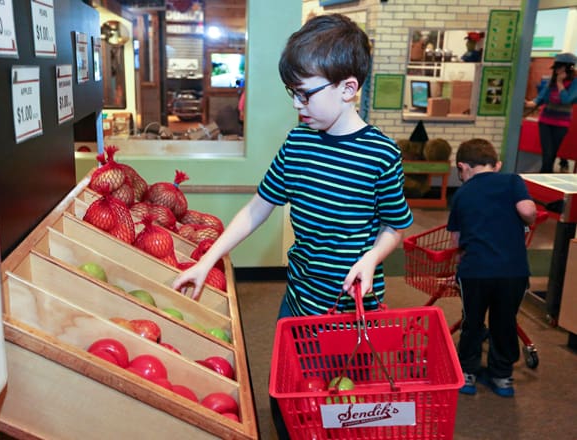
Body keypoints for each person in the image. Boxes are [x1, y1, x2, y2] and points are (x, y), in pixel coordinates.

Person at [172, 14, 413, 437]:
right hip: (299, 301)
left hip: (352, 315)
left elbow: (394, 227)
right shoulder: (298, 142)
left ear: (348, 88)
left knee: (344, 410)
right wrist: (207, 260)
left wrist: (372, 259)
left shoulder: (381, 155)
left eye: (304, 94)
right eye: (292, 94)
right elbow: (257, 207)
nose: (297, 105)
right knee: (287, 403)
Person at [447, 138, 537, 398]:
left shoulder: (462, 193)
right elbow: (527, 209)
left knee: (472, 322)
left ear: (462, 167)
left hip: (475, 271)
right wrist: (527, 222)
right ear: (495, 164)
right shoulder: (512, 181)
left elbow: (456, 238)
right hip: (513, 270)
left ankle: (468, 373)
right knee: (505, 321)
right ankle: (502, 376)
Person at [525, 52, 577, 173]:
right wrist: (531, 103)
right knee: (547, 153)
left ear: (568, 68)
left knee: (552, 153)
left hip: (562, 123)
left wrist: (560, 83)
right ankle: (543, 176)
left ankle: (543, 176)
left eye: (560, 67)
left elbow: (566, 100)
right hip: (545, 121)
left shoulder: (574, 83)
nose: (557, 70)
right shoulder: (551, 80)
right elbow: (542, 97)